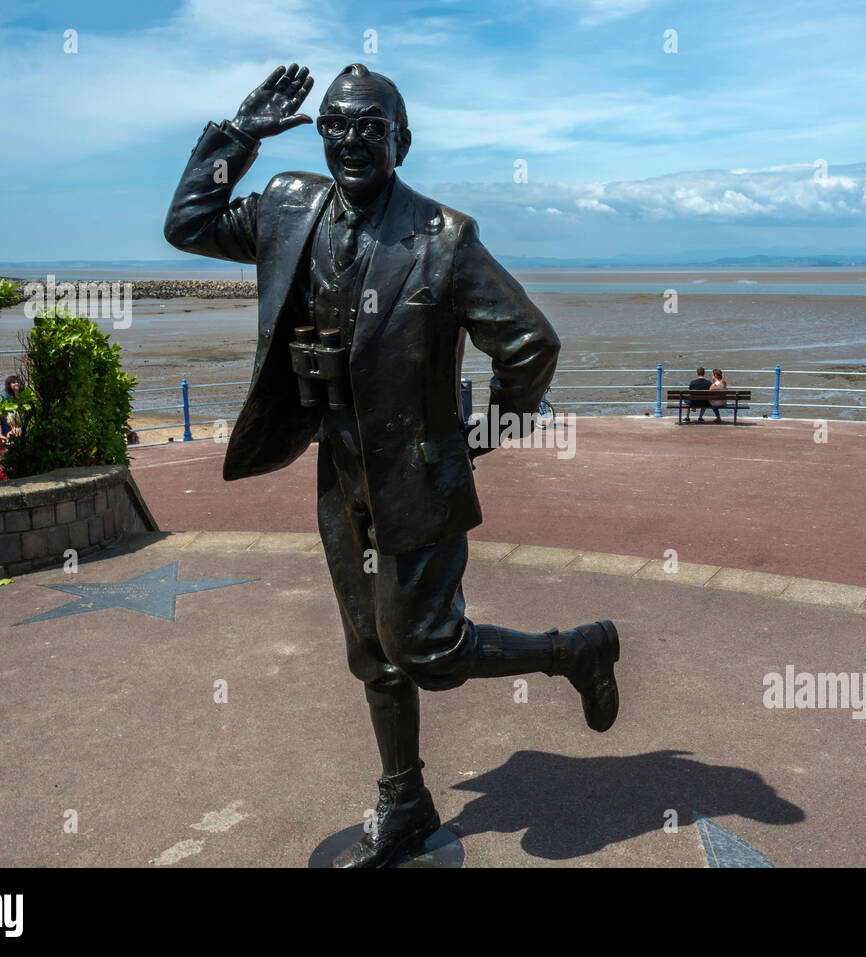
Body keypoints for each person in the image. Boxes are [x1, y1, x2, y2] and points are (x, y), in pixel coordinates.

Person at [164, 63, 620, 868]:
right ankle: (403, 798)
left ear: (400, 142)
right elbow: (188, 223)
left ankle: (573, 651)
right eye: (334, 123)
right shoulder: (286, 207)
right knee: (370, 650)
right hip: (339, 470)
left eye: (369, 127)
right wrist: (239, 136)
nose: (349, 139)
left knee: (427, 648)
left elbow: (531, 342)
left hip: (418, 475)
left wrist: (483, 434)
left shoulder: (444, 238)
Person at [0, 375, 24, 440]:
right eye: (13, 382)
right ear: (9, 385)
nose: (16, 383)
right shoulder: (4, 397)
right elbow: (0, 412)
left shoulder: (21, 396)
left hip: (19, 424)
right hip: (7, 426)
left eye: (17, 382)